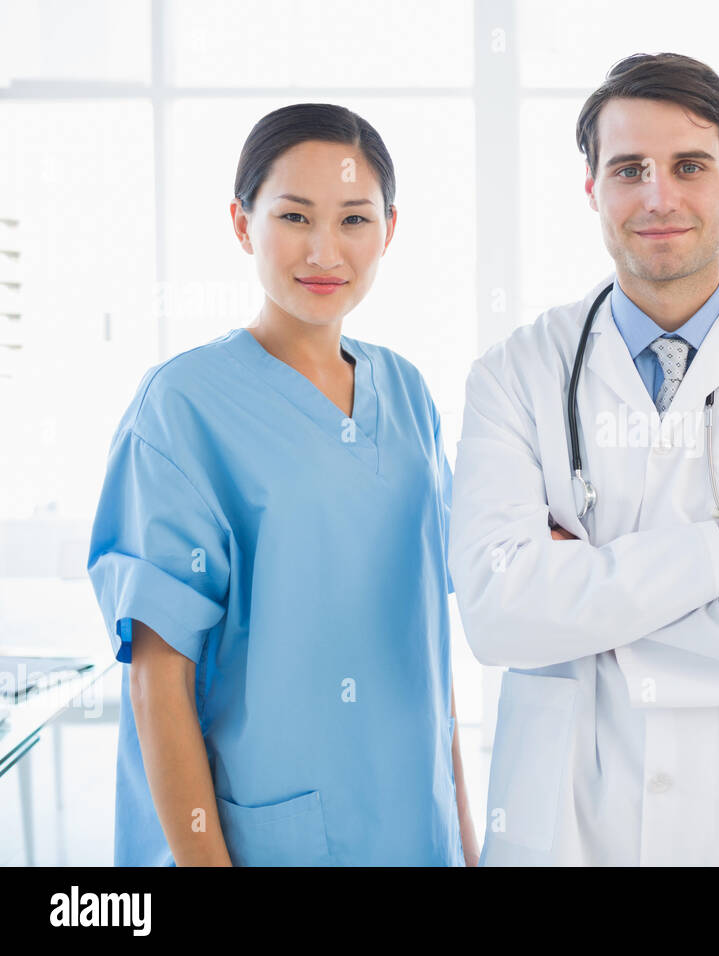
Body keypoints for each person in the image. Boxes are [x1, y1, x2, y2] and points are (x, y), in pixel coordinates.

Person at [449, 53, 719, 866]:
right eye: (629, 169)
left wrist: (584, 607)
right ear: (592, 189)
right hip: (576, 829)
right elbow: (495, 614)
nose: (659, 196)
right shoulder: (513, 376)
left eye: (688, 166)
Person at [87, 103, 477, 866]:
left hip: (414, 832)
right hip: (265, 840)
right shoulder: (183, 406)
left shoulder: (408, 393)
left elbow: (425, 645)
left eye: (354, 220)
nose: (325, 250)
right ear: (242, 224)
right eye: (294, 216)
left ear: (389, 231)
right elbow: (158, 682)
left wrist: (462, 842)